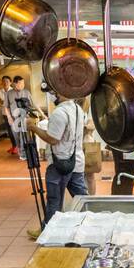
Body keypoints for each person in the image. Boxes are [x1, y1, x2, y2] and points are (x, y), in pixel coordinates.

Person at [28, 93, 91, 221]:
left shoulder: (59, 113)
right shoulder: (77, 109)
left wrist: (33, 128)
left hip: (59, 164)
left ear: (60, 93)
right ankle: (89, 224)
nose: (52, 95)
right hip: (77, 161)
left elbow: (52, 139)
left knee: (54, 201)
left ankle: (48, 230)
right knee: (82, 198)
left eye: (54, 92)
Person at [6, 75, 36, 160]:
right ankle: (20, 151)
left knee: (24, 136)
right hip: (14, 119)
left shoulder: (26, 92)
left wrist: (42, 113)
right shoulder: (9, 93)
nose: (23, 85)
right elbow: (6, 107)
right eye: (21, 84)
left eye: (23, 83)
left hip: (24, 118)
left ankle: (23, 154)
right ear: (15, 84)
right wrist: (9, 117)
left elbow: (33, 104)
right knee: (16, 137)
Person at [0, 75, 14, 152]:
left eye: (7, 81)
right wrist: (2, 105)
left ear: (10, 82)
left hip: (12, 114)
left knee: (13, 130)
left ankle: (17, 147)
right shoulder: (0, 91)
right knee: (9, 130)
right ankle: (13, 146)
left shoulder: (13, 91)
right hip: (5, 114)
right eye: (3, 81)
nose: (5, 83)